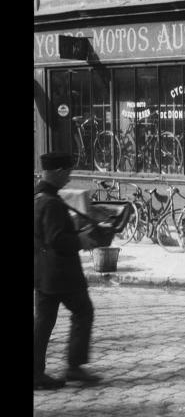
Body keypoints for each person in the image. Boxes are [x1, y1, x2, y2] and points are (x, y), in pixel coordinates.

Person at [34, 151, 102, 390]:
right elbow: (56, 239)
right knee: (83, 311)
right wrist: (80, 240)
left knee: (43, 323)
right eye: (68, 173)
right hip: (62, 274)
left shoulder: (39, 196)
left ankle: (36, 373)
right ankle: (75, 367)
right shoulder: (51, 202)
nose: (69, 178)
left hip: (43, 274)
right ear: (59, 172)